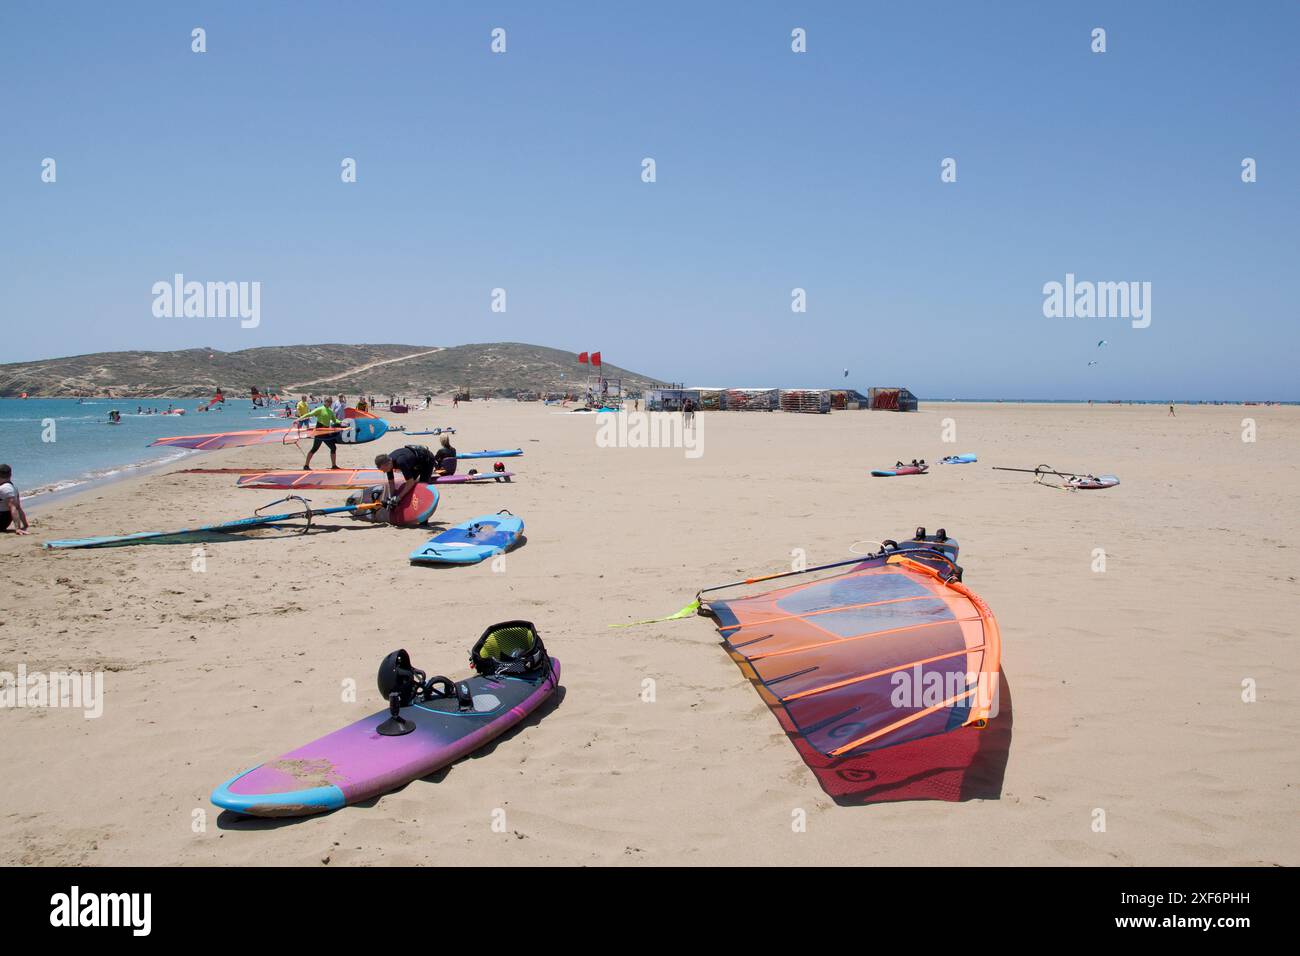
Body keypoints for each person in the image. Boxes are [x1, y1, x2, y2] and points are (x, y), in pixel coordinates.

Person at [374, 445, 437, 510]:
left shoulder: (401, 462)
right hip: (414, 463)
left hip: (427, 460)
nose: (384, 472)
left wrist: (399, 497)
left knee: (422, 484)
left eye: (383, 469)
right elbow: (391, 482)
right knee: (407, 486)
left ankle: (423, 510)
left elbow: (410, 482)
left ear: (388, 463)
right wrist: (391, 498)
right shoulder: (388, 463)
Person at [298, 400, 346, 469]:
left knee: (333, 447)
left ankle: (334, 465)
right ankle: (306, 465)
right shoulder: (320, 409)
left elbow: (335, 420)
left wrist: (341, 422)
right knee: (314, 449)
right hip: (319, 432)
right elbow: (310, 414)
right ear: (325, 402)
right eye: (328, 402)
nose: (329, 403)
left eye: (330, 402)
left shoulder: (330, 411)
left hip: (325, 432)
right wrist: (299, 418)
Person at [0, 465, 30, 535]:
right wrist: (25, 524)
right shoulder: (13, 487)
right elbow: (18, 507)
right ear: (10, 474)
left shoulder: (5, 489)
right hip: (4, 521)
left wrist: (18, 528)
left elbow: (13, 507)